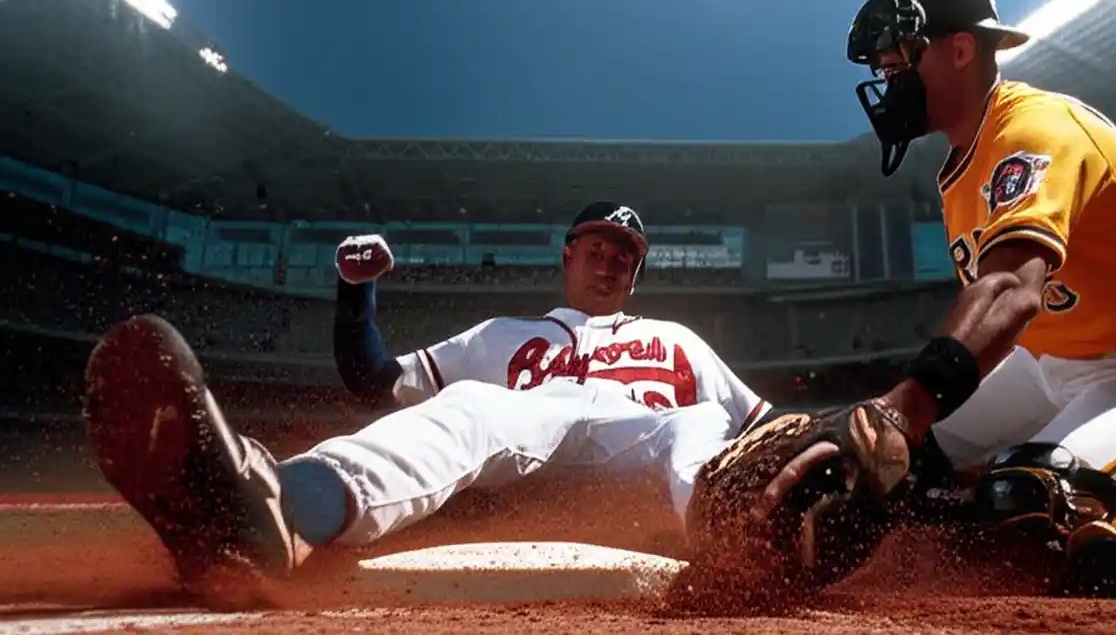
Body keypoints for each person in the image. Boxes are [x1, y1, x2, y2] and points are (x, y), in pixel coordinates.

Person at [753, 0, 1116, 591]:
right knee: (907, 470)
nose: (889, 78)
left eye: (901, 60)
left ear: (960, 47)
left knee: (1023, 500)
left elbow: (1010, 290)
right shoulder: (960, 168)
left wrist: (904, 406)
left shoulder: (1035, 128)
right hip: (1049, 362)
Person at [82, 201, 772, 587]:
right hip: (522, 458)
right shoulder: (503, 335)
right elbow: (374, 380)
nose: (611, 261)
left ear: (636, 274)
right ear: (568, 256)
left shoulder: (678, 338)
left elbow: (769, 425)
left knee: (700, 423)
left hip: (643, 463)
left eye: (625, 257)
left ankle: (751, 556)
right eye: (599, 248)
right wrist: (356, 296)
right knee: (471, 404)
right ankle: (274, 516)